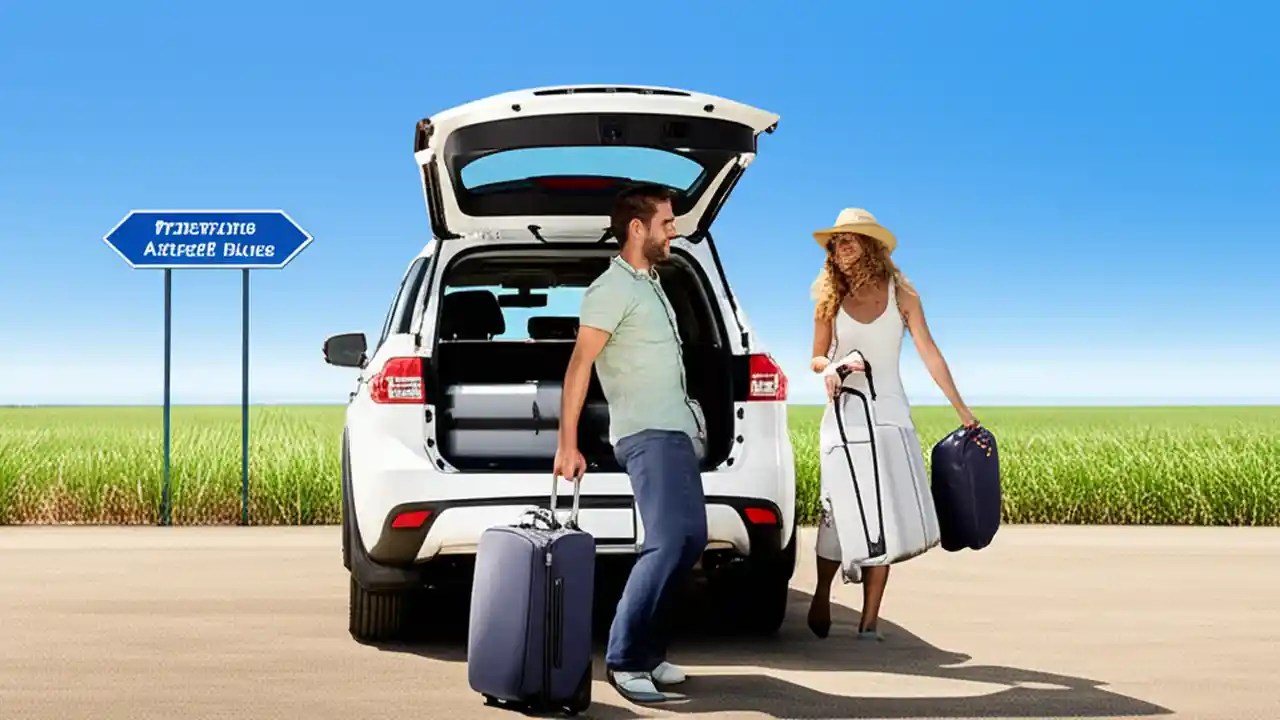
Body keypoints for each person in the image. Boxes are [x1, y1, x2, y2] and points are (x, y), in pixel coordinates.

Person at [554, 183, 707, 705]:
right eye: (667, 222)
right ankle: (623, 660)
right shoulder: (611, 289)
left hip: (676, 431)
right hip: (646, 433)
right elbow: (579, 367)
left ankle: (649, 651)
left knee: (689, 541)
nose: (674, 230)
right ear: (637, 228)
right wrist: (567, 444)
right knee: (667, 542)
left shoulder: (652, 283)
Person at [805, 207, 979, 641]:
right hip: (844, 418)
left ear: (871, 246)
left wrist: (962, 410)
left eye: (849, 239)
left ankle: (868, 622)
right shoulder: (826, 296)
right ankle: (823, 590)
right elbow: (817, 355)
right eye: (836, 241)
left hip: (889, 417)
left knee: (883, 515)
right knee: (838, 512)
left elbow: (929, 351)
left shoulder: (902, 293)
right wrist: (830, 367)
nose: (840, 246)